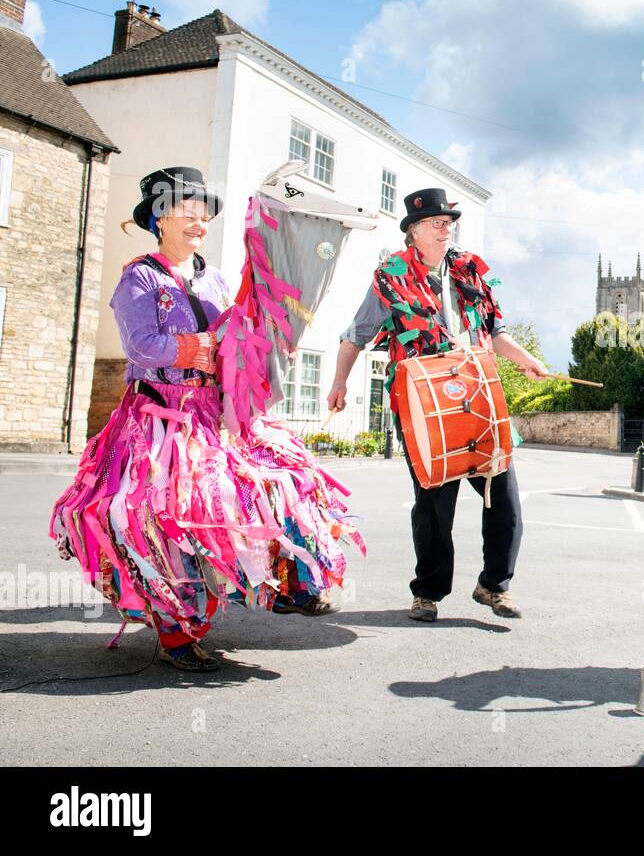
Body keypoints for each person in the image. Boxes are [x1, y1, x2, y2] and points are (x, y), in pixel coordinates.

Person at [50, 167, 364, 671]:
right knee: (172, 515)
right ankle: (177, 634)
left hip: (217, 413)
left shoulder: (215, 277)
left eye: (204, 213)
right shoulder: (141, 276)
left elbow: (238, 338)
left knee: (282, 482)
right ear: (160, 217)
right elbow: (142, 347)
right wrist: (202, 348)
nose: (200, 221)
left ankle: (288, 583)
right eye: (187, 211)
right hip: (160, 420)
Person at [328, 188, 547, 623]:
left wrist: (527, 359)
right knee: (433, 509)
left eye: (449, 222)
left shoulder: (470, 272)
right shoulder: (390, 277)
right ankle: (428, 592)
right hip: (424, 410)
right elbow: (355, 334)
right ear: (413, 231)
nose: (446, 228)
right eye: (436, 223)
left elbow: (494, 331)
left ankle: (493, 586)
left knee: (504, 504)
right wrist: (338, 382)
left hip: (478, 401)